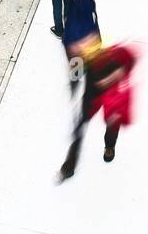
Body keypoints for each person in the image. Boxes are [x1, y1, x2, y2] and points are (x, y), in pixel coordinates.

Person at [57, 41, 138, 180]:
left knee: (113, 123)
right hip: (92, 94)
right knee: (80, 126)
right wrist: (75, 82)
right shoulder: (96, 60)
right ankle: (70, 166)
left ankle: (109, 147)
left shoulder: (122, 67)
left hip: (113, 95)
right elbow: (78, 61)